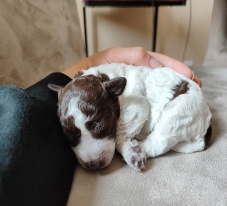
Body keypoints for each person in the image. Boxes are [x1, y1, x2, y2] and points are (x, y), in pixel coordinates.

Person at [0, 47, 201, 206]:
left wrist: (124, 142)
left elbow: (139, 106)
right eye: (73, 137)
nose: (90, 159)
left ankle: (152, 146)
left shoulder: (126, 91)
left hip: (181, 99)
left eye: (98, 127)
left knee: (165, 129)